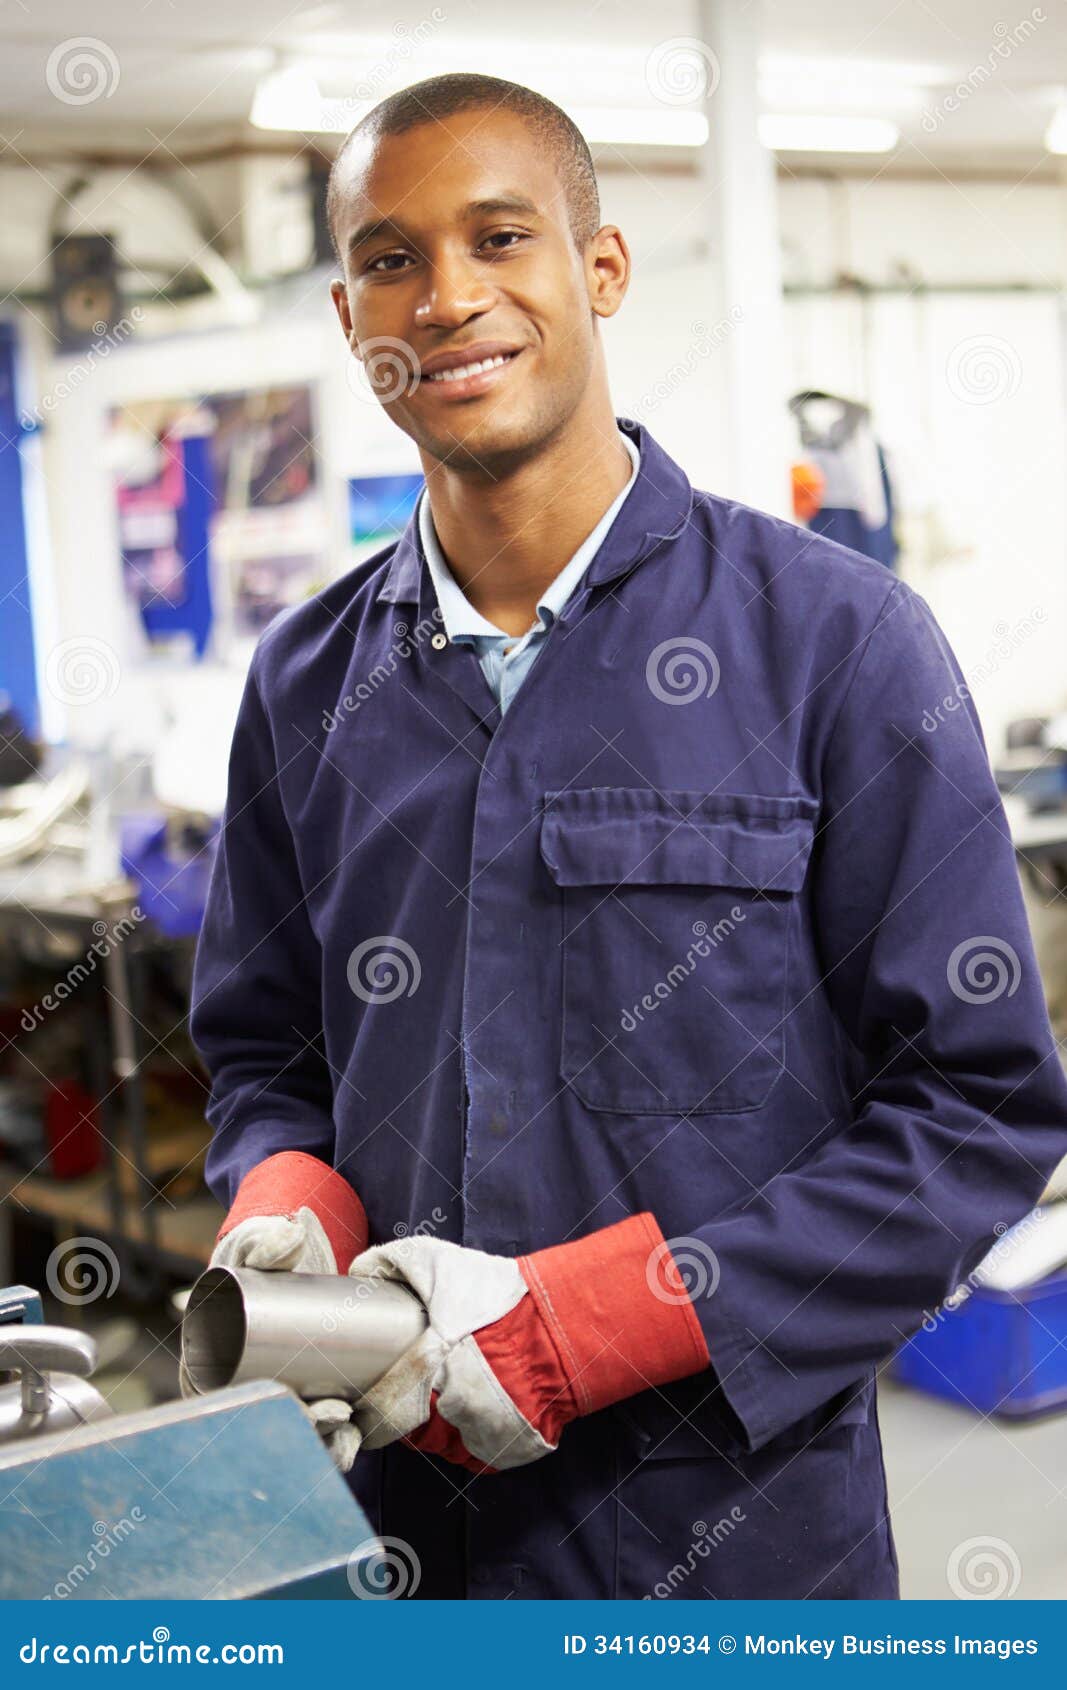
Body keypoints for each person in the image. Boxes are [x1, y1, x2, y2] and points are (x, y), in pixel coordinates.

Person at [188, 73, 1067, 1600]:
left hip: (736, 1540)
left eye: (501, 237)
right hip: (406, 1538)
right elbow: (268, 1053)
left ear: (599, 269)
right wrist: (288, 1199)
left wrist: (590, 1322)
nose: (450, 297)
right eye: (393, 257)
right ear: (350, 318)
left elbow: (975, 1112)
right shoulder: (310, 682)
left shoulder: (837, 646)